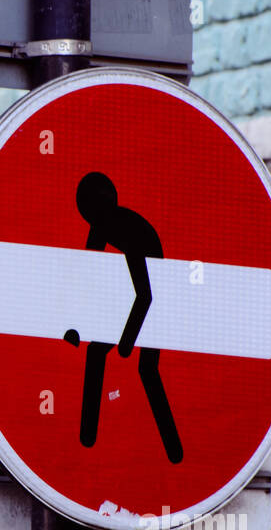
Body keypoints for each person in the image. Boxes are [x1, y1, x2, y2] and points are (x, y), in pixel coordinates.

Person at [65, 171, 183, 463]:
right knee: (97, 353)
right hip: (133, 297)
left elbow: (145, 296)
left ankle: (175, 454)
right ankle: (85, 446)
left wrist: (126, 341)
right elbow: (86, 269)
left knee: (147, 368)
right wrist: (73, 323)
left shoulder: (130, 233)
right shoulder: (103, 224)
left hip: (154, 291)